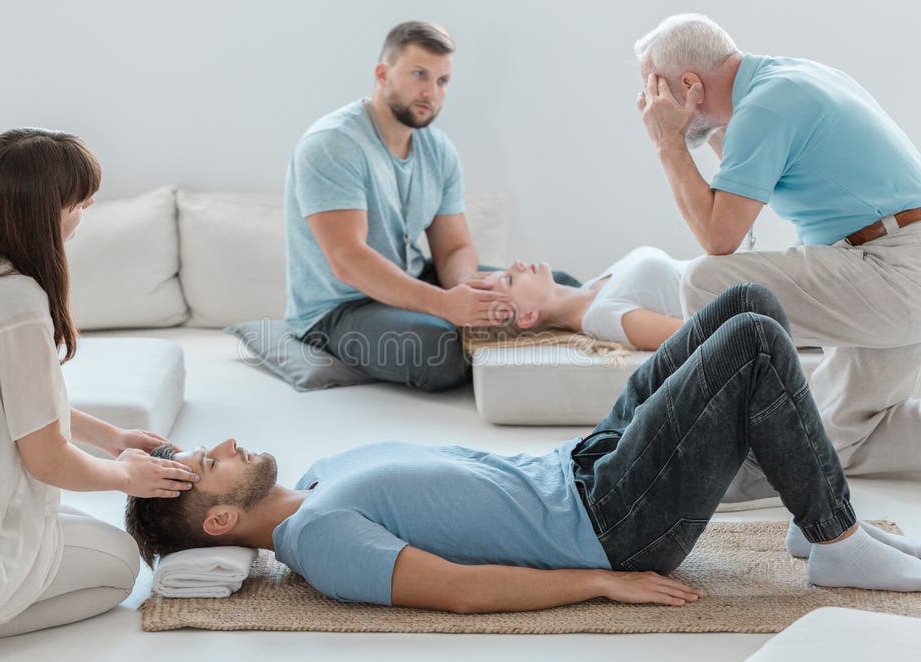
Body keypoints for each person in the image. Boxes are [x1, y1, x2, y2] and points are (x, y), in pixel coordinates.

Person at [127, 284, 921, 613]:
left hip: (587, 464)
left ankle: (807, 511)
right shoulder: (318, 539)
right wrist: (600, 585)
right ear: (223, 521)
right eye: (207, 466)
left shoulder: (319, 477)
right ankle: (836, 541)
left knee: (747, 305)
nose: (222, 444)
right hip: (613, 521)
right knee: (750, 343)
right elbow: (461, 590)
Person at [0, 129, 200, 648]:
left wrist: (112, 439)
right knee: (120, 564)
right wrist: (125, 476)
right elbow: (48, 460)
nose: (85, 211)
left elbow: (4, 397)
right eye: (80, 202)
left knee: (61, 518)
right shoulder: (16, 302)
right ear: (45, 211)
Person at [632, 15, 921, 498]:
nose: (650, 106)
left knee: (706, 282)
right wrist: (696, 129)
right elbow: (739, 179)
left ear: (689, 85)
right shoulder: (785, 82)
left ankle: (708, 454)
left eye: (654, 90)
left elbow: (718, 237)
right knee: (837, 439)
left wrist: (668, 143)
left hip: (894, 275)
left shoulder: (766, 107)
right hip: (894, 270)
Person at [284, 20, 575, 392]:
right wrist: (445, 306)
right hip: (338, 309)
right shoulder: (332, 144)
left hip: (413, 278)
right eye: (419, 74)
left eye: (442, 81)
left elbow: (453, 246)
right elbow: (347, 260)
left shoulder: (437, 149)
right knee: (438, 349)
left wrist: (468, 291)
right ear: (382, 74)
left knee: (558, 287)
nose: (431, 92)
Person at [476, 246, 686, 350]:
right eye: (510, 280)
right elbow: (698, 334)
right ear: (526, 317)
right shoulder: (602, 316)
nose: (517, 263)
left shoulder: (591, 286)